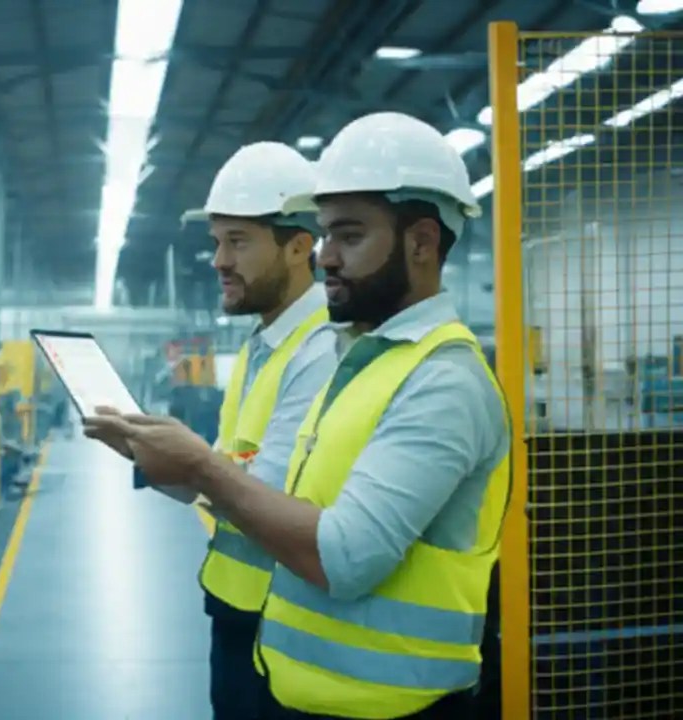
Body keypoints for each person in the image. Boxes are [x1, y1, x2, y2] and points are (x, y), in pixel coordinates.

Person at [84, 112, 509, 720]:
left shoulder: (443, 381)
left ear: (420, 243)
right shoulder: (357, 358)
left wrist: (203, 467)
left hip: (397, 707)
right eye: (327, 234)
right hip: (304, 688)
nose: (327, 257)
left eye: (350, 236)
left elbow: (342, 558)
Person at [91, 141, 337, 720]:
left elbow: (261, 499)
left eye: (238, 241)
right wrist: (147, 454)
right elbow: (225, 485)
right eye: (217, 242)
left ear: (299, 247)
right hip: (235, 611)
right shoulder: (263, 346)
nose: (219, 261)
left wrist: (196, 461)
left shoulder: (321, 349)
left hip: (280, 621)